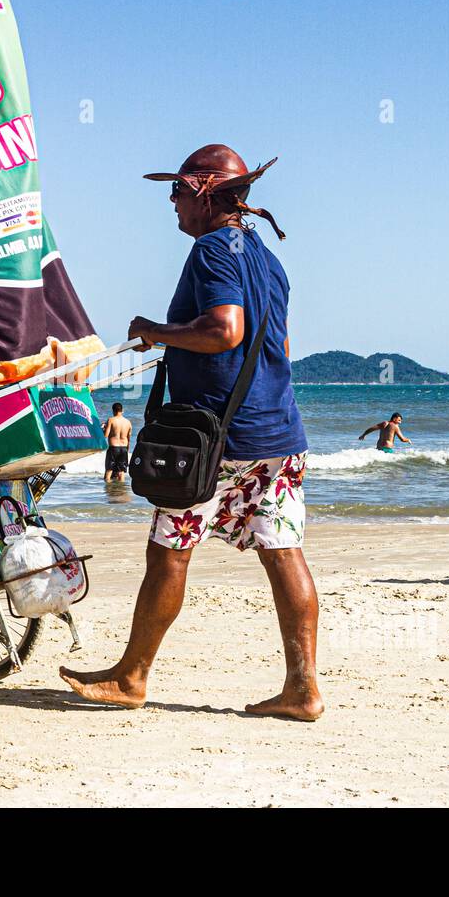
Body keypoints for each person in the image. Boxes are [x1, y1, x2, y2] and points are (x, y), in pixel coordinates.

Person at [60, 143, 323, 722]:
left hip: (217, 444)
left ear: (205, 193)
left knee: (169, 553)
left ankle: (131, 677)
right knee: (284, 552)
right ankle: (303, 689)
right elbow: (278, 347)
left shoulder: (211, 251)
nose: (172, 203)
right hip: (278, 436)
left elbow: (226, 331)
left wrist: (157, 331)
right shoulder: (268, 260)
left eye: (177, 191)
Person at [102, 402, 132, 482]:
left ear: (113, 410)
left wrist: (103, 428)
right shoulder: (128, 422)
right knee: (121, 472)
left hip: (113, 448)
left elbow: (105, 435)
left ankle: (108, 491)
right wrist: (127, 450)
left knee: (109, 471)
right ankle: (121, 491)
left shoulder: (111, 420)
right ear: (122, 411)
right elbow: (129, 439)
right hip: (124, 448)